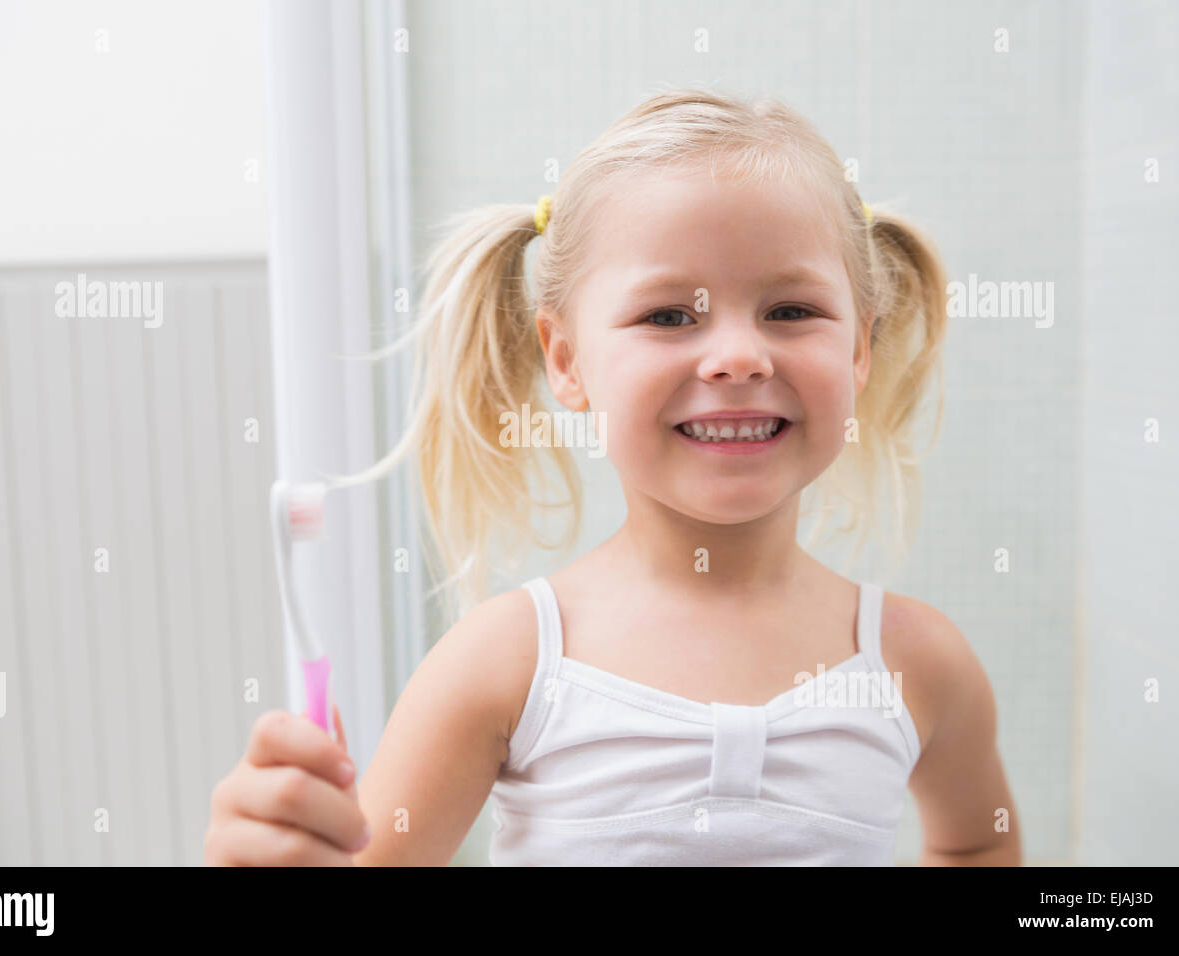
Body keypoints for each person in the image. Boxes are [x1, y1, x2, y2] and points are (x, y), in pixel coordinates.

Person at [204, 86, 1020, 866]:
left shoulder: (919, 662)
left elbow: (977, 842)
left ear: (859, 349)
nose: (738, 355)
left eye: (790, 311)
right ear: (566, 361)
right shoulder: (507, 661)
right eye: (670, 316)